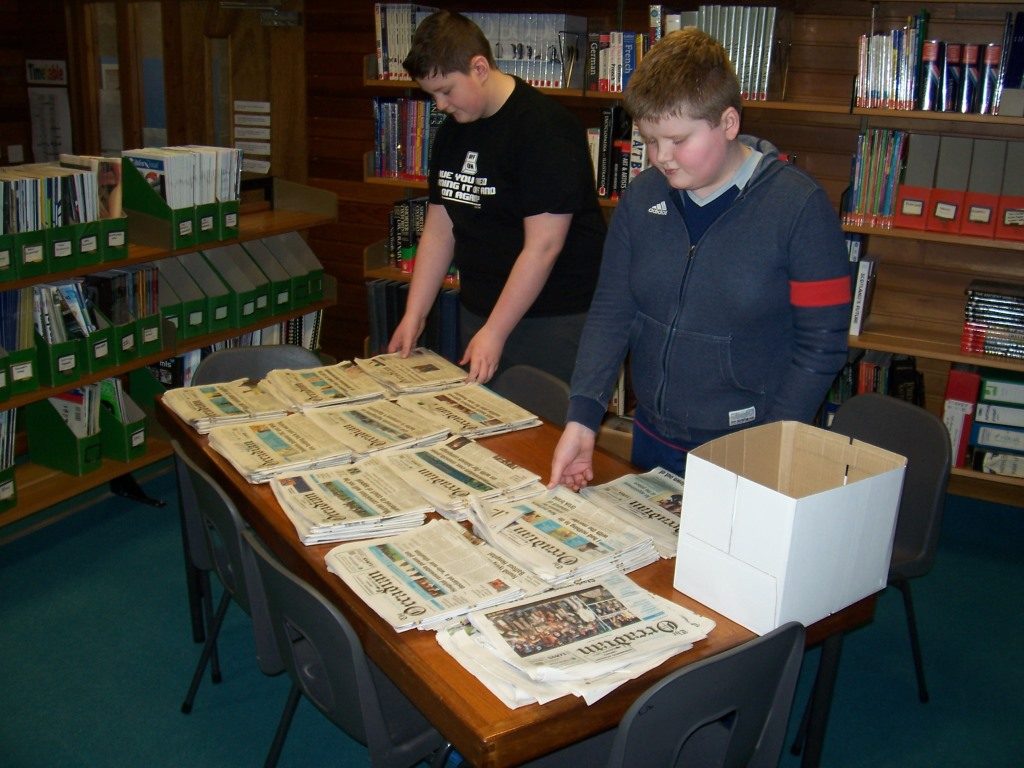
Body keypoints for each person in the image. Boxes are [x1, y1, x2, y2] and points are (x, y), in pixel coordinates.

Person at [549, 28, 851, 490]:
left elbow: (822, 346)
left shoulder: (799, 208)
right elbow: (613, 309)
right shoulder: (642, 197)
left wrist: (768, 448)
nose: (661, 158)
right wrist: (583, 417)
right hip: (653, 432)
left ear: (728, 123)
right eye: (650, 141)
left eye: (677, 140)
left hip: (746, 446)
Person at [387, 10, 606, 385]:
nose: (440, 105)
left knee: (541, 434)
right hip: (482, 308)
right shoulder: (453, 133)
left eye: (446, 90)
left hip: (553, 318)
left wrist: (496, 331)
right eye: (431, 94)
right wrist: (415, 313)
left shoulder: (545, 130)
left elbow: (543, 247)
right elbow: (440, 231)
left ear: (480, 68)